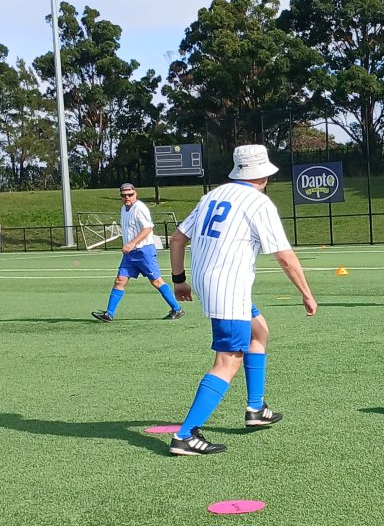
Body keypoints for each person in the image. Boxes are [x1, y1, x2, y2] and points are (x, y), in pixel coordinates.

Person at [167, 144, 317, 456]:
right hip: (229, 288)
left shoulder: (213, 195)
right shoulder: (258, 203)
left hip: (208, 280)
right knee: (228, 361)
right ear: (263, 173)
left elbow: (178, 238)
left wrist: (179, 279)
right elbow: (285, 256)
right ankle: (185, 435)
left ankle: (256, 409)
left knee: (259, 330)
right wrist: (306, 292)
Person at [91, 183, 185, 322]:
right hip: (130, 254)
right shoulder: (124, 208)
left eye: (130, 194)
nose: (127, 197)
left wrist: (132, 243)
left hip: (143, 251)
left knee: (156, 281)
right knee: (119, 281)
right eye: (124, 195)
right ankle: (109, 314)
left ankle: (177, 309)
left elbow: (147, 228)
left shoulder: (139, 208)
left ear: (136, 194)